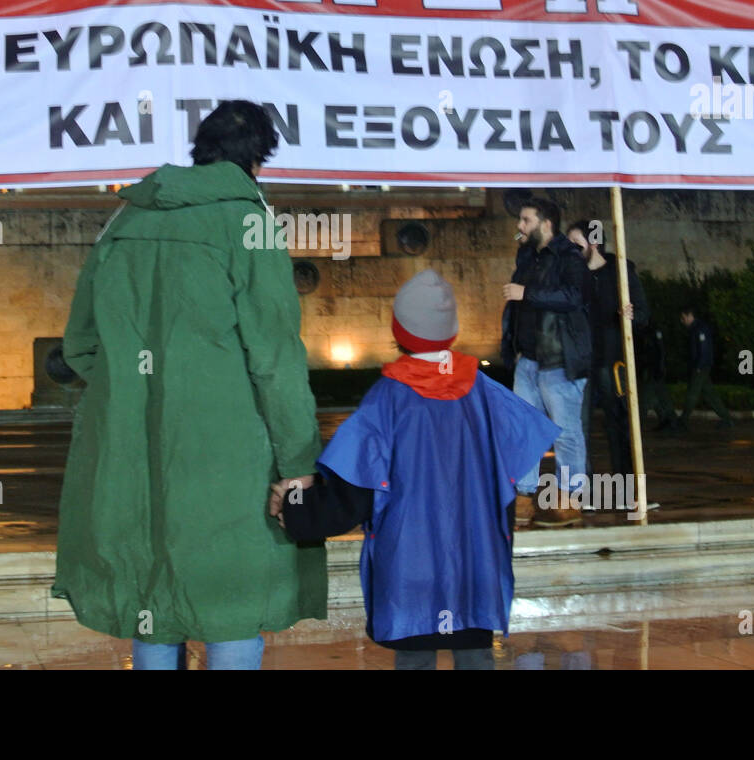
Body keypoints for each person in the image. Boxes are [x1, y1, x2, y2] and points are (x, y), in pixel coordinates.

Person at [51, 99, 326, 670]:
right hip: (226, 450)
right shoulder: (246, 220)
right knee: (232, 597)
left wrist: (134, 389)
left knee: (153, 593)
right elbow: (273, 356)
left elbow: (79, 344)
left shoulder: (125, 220)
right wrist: (299, 461)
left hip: (132, 442)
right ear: (259, 158)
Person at [275, 269, 558, 669]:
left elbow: (353, 491)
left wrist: (295, 506)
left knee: (415, 661)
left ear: (400, 332)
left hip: (410, 571)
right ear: (452, 332)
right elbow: (505, 482)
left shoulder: (386, 400)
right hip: (474, 569)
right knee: (476, 656)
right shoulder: (487, 394)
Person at [500, 197, 592, 527]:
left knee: (566, 432)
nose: (519, 226)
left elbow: (574, 297)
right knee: (525, 430)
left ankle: (570, 497)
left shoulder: (569, 256)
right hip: (529, 360)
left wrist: (527, 294)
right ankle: (524, 498)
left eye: (526, 220)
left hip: (559, 360)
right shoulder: (527, 255)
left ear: (546, 224)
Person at [566, 220, 651, 479]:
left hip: (612, 362)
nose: (570, 250)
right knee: (579, 427)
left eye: (575, 244)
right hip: (580, 362)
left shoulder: (621, 273)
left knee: (619, 423)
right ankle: (584, 489)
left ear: (594, 244)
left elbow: (643, 314)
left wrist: (631, 315)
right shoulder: (572, 276)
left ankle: (624, 484)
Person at [678, 306, 734, 431]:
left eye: (683, 318)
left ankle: (683, 421)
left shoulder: (700, 329)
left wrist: (698, 366)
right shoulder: (695, 329)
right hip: (701, 366)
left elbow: (703, 349)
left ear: (689, 316)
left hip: (701, 367)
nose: (682, 321)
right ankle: (727, 419)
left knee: (692, 393)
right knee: (710, 395)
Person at [640, 324, 677, 432]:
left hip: (654, 370)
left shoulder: (652, 331)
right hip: (652, 370)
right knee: (659, 396)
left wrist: (659, 367)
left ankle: (638, 424)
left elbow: (659, 352)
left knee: (646, 399)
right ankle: (668, 420)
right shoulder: (646, 331)